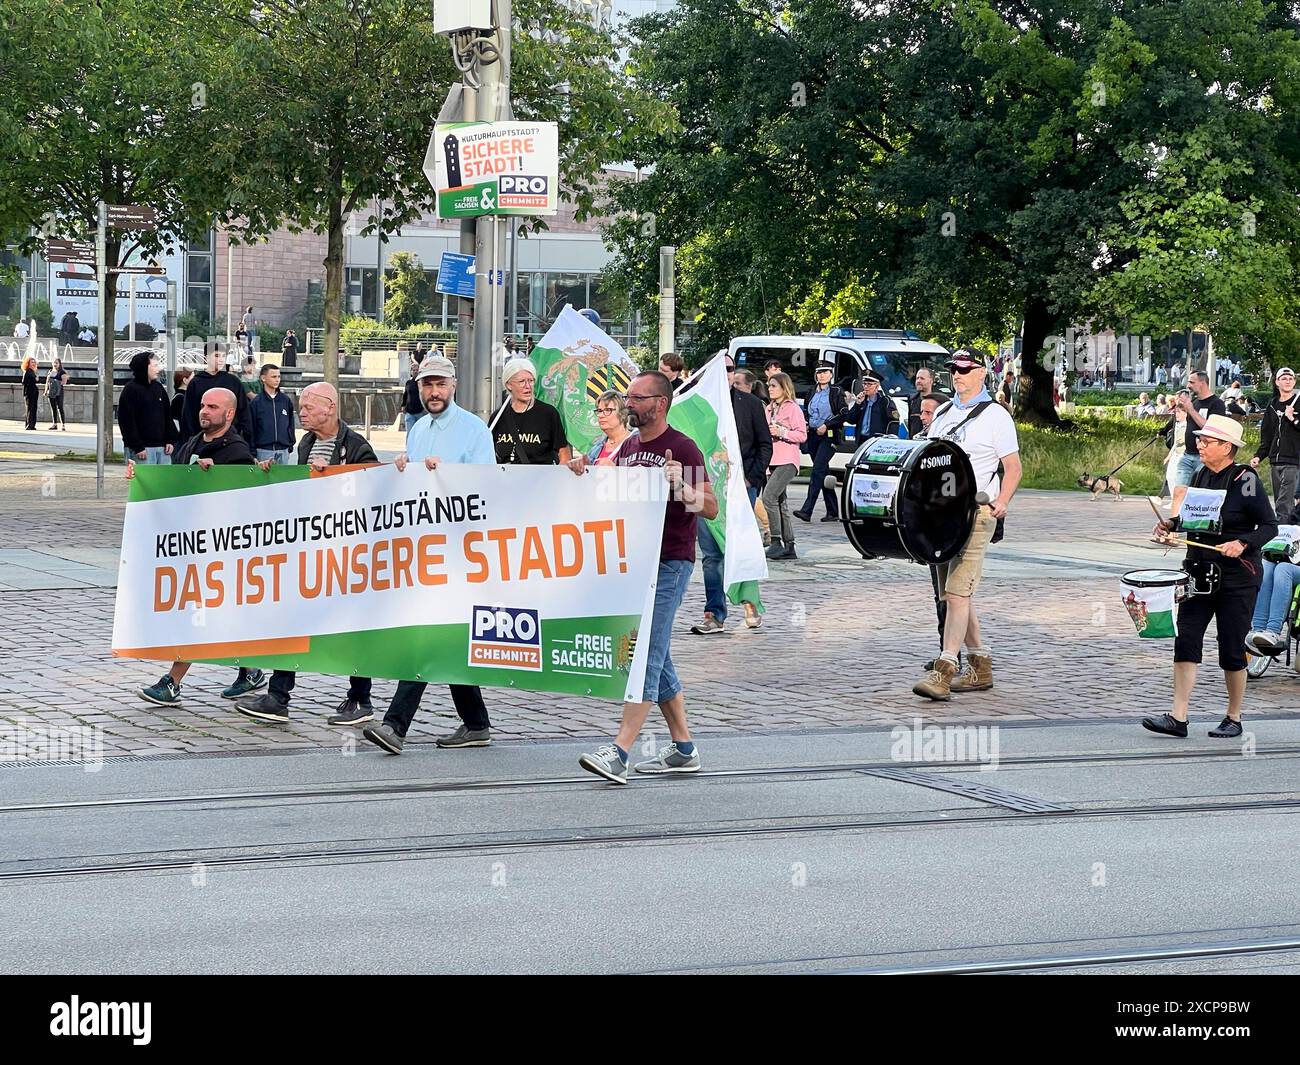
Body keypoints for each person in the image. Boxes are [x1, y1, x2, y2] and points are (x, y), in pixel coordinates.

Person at [568, 371, 719, 785]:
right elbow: (608, 489)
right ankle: (684, 749)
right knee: (658, 654)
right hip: (635, 562)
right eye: (628, 397)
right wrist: (584, 470)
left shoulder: (682, 447)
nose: (627, 404)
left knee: (643, 651)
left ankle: (619, 751)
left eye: (636, 398)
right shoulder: (629, 447)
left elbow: (710, 507)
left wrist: (682, 488)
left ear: (660, 403)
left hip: (670, 561)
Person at [361, 356, 498, 755]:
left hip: (461, 549)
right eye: (427, 385)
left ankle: (394, 725)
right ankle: (476, 723)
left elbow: (488, 485)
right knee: (448, 636)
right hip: (424, 548)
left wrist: (447, 472)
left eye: (440, 384)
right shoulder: (418, 429)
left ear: (453, 385)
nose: (433, 392)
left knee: (428, 633)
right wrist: (404, 470)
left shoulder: (473, 429)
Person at [237, 381, 379, 726]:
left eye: (308, 406)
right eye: (301, 407)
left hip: (346, 553)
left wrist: (332, 478)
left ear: (330, 407)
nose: (301, 412)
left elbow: (376, 489)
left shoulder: (356, 446)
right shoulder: (307, 443)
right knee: (293, 619)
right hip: (310, 550)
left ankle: (360, 698)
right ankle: (278, 696)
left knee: (349, 626)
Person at [1145, 415, 1278, 739]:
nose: (1200, 445)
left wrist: (1243, 542)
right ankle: (1179, 717)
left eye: (1207, 441)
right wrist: (1172, 526)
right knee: (1186, 639)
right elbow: (1196, 518)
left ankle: (1233, 716)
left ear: (1227, 447)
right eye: (1201, 440)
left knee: (1231, 647)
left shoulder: (1245, 478)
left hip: (1236, 576)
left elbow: (1268, 526)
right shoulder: (1202, 474)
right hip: (1198, 570)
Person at [135, 388, 266, 706]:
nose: (204, 411)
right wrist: (141, 479)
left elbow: (244, 497)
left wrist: (215, 476)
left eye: (213, 407)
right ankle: (250, 670)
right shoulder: (192, 443)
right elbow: (176, 482)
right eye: (203, 406)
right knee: (218, 614)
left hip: (223, 551)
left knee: (200, 613)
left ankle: (172, 683)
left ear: (230, 414)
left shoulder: (235, 450)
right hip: (193, 545)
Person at [913, 350, 1022, 700]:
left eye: (964, 369)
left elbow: (1013, 467)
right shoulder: (944, 412)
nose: (957, 375)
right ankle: (980, 665)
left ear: (981, 374)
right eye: (953, 370)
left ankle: (944, 671)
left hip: (976, 513)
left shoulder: (996, 416)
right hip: (942, 513)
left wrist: (1002, 501)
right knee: (956, 594)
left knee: (958, 592)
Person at [690, 355, 771, 634]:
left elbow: (764, 445)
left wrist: (751, 479)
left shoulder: (750, 404)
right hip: (708, 490)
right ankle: (714, 612)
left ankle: (749, 601)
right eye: (721, 369)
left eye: (730, 369)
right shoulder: (696, 407)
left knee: (739, 545)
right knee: (712, 554)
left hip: (740, 489)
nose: (727, 374)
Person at [489, 357, 571, 465]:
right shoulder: (498, 417)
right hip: (506, 480)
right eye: (521, 382)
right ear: (509, 385)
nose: (527, 386)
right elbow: (488, 454)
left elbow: (564, 454)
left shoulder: (548, 414)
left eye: (531, 381)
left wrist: (555, 479)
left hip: (540, 480)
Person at [794, 361, 848, 522]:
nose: (822, 375)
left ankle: (807, 509)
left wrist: (827, 425)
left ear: (831, 375)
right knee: (823, 473)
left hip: (829, 436)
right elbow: (806, 412)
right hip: (813, 436)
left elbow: (843, 413)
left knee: (817, 470)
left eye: (825, 372)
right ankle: (832, 511)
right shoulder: (811, 391)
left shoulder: (836, 391)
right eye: (819, 372)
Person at [763, 372, 808, 560]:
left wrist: (782, 432)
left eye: (774, 386)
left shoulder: (793, 409)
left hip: (787, 460)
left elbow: (802, 435)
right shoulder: (768, 408)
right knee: (780, 503)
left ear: (784, 387)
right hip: (772, 460)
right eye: (769, 385)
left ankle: (775, 541)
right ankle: (789, 545)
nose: (770, 389)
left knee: (768, 497)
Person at [1249, 366, 1300, 524]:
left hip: (1293, 460)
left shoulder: (1298, 403)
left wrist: (1292, 418)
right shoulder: (1272, 406)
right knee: (1280, 499)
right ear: (1277, 382)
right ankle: (1289, 531)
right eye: (1284, 378)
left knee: (1284, 503)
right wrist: (1259, 455)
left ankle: (1283, 535)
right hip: (1275, 461)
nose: (1288, 381)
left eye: (1291, 378)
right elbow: (1267, 435)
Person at [1166, 371, 1226, 500]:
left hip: (1204, 457)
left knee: (1199, 495)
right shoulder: (1194, 402)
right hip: (1187, 454)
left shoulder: (1216, 404)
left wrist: (1191, 410)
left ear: (1202, 383)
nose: (1188, 385)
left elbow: (1212, 429)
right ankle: (1176, 519)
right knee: (1179, 492)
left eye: (1192, 382)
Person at [118, 350, 179, 464]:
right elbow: (126, 421)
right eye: (155, 365)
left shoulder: (158, 387)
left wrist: (170, 440)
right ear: (144, 367)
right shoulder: (131, 390)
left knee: (163, 481)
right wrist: (137, 446)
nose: (158, 369)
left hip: (163, 447)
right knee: (144, 481)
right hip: (142, 449)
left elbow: (167, 415)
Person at [183, 342, 253, 443]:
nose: (221, 359)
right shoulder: (196, 383)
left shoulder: (233, 381)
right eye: (216, 355)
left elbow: (244, 412)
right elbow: (188, 415)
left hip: (230, 440)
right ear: (206, 358)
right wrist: (191, 442)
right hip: (203, 439)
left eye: (223, 356)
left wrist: (247, 441)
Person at [1246, 528, 1300, 654]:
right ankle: (1258, 629)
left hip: (1290, 566)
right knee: (1266, 567)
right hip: (1290, 558)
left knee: (1283, 569)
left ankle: (1273, 631)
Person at [249, 363, 296, 465]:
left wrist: (290, 444)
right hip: (263, 450)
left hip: (283, 450)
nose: (277, 379)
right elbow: (251, 429)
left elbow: (291, 423)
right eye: (274, 376)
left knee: (283, 480)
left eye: (279, 376)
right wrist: (252, 452)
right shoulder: (256, 402)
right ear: (263, 378)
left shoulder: (285, 400)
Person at [844, 373, 900, 440]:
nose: (866, 387)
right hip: (861, 440)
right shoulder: (862, 401)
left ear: (877, 386)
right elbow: (850, 420)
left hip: (877, 441)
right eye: (864, 384)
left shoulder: (885, 401)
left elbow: (894, 421)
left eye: (869, 384)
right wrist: (857, 404)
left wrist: (889, 439)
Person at [585, 390, 632, 465]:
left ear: (623, 413)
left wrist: (616, 471)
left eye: (608, 410)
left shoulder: (635, 445)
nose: (601, 415)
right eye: (599, 411)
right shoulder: (596, 447)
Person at [906, 368, 936, 437]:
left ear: (931, 381)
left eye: (922, 378)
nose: (918, 381)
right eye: (917, 378)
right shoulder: (912, 401)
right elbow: (911, 427)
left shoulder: (939, 402)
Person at [44, 357, 68, 430]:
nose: (55, 364)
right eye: (54, 362)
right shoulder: (50, 371)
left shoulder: (62, 372)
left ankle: (63, 425)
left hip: (59, 392)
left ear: (59, 364)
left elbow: (64, 382)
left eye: (57, 363)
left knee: (60, 407)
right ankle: (54, 424)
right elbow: (47, 382)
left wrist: (55, 381)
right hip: (51, 392)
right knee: (53, 408)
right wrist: (46, 391)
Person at [401, 356, 424, 432]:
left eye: (416, 370)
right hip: (409, 413)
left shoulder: (422, 383)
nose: (415, 371)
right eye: (413, 370)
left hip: (419, 412)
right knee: (410, 434)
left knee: (419, 434)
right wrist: (403, 405)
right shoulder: (408, 383)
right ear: (411, 371)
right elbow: (405, 395)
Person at [171, 368, 193, 435]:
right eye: (192, 378)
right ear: (185, 380)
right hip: (183, 437)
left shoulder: (180, 396)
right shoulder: (181, 398)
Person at [21, 356, 38, 430]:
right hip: (29, 392)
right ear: (28, 363)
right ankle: (29, 425)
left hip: (33, 392)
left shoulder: (32, 371)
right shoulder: (27, 371)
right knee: (30, 409)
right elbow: (23, 382)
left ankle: (32, 425)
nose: (33, 363)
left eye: (34, 362)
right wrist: (35, 379)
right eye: (32, 362)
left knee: (33, 408)